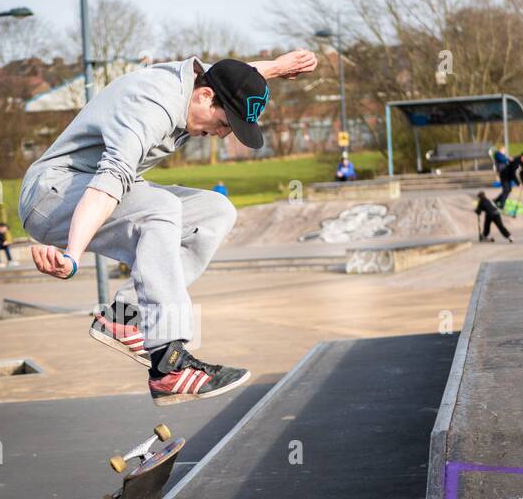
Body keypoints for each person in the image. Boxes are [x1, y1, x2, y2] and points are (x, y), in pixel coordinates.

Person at [19, 50, 317, 404]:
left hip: (92, 187)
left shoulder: (199, 84)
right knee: (160, 208)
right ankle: (169, 365)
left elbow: (232, 75)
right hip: (53, 195)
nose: (221, 135)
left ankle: (123, 316)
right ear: (205, 97)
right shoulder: (150, 107)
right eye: (224, 124)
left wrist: (276, 69)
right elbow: (109, 181)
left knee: (215, 211)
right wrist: (72, 255)